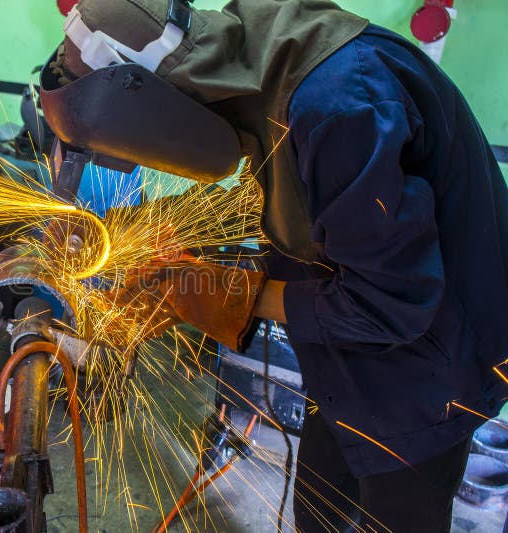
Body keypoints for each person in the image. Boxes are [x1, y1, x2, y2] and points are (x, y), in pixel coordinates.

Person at [38, 0, 508, 531]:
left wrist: (227, 293)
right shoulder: (256, 63)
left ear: (147, 96)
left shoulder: (337, 107)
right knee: (318, 514)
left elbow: (390, 305)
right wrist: (129, 228)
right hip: (346, 365)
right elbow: (278, 193)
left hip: (426, 374)